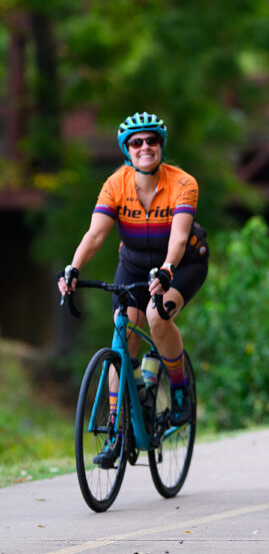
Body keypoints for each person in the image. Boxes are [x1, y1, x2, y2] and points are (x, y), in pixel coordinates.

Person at [57, 112, 209, 467]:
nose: (145, 147)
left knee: (157, 316)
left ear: (161, 146)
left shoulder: (182, 182)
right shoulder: (115, 184)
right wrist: (74, 268)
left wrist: (169, 270)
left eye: (151, 141)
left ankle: (179, 390)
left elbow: (179, 237)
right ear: (127, 149)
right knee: (122, 335)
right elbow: (95, 234)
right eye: (136, 142)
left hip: (184, 262)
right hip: (134, 263)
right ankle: (117, 429)